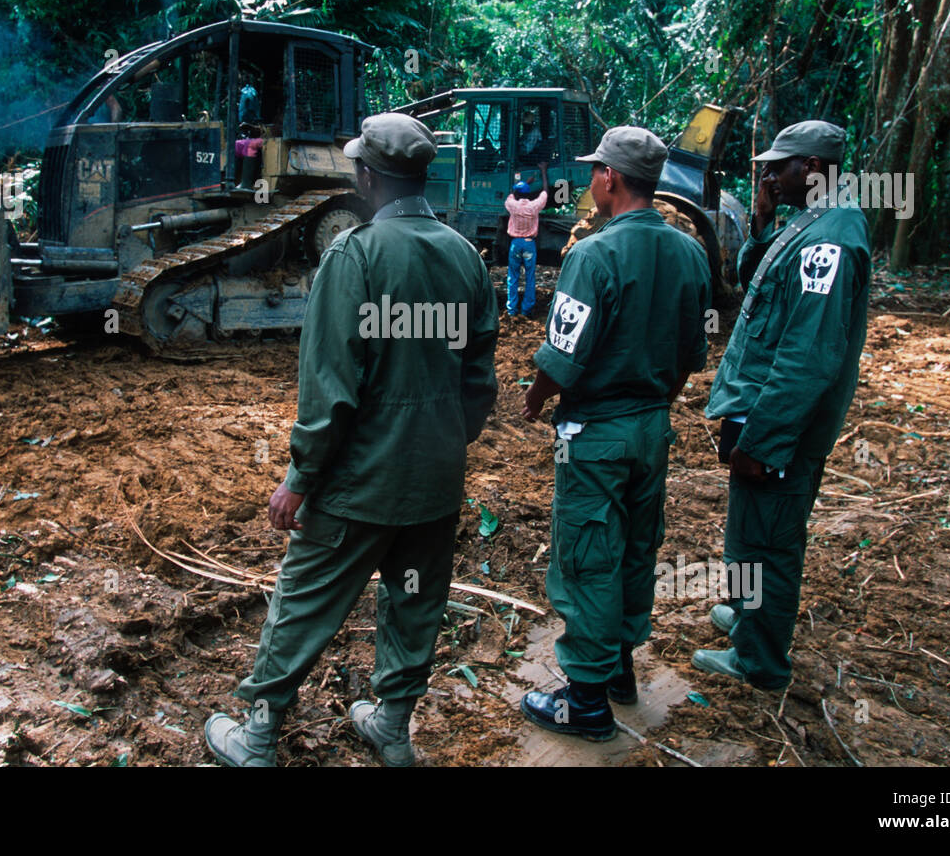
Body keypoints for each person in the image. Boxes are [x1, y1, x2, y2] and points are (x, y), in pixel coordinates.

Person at [204, 112, 499, 766]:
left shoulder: (354, 254)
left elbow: (330, 390)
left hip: (359, 483)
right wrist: (446, 438)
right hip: (435, 479)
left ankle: (256, 737)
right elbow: (479, 379)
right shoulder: (464, 258)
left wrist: (299, 479)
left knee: (302, 605)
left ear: (366, 175)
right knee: (414, 599)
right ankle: (392, 726)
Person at [519, 126, 711, 740]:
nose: (591, 181)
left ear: (612, 178)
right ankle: (621, 672)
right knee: (634, 548)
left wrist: (533, 399)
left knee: (588, 559)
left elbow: (563, 354)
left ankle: (587, 703)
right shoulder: (690, 253)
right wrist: (657, 403)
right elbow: (691, 354)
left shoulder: (591, 254)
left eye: (595, 171)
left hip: (595, 431)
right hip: (653, 428)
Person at [694, 120, 871, 691]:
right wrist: (762, 220)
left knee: (766, 542)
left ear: (813, 169)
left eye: (778, 167)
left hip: (778, 430)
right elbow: (753, 279)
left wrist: (765, 440)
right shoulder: (808, 222)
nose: (767, 175)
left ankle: (759, 660)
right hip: (759, 414)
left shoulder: (831, 238)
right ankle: (751, 620)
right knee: (751, 532)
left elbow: (808, 357)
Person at [504, 181, 546, 317]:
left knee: (513, 277)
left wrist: (523, 183)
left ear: (516, 194)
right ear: (529, 194)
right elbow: (545, 193)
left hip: (515, 244)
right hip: (529, 244)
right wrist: (543, 172)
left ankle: (511, 310)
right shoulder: (534, 206)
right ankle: (526, 310)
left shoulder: (512, 205)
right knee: (530, 277)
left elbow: (510, 195)